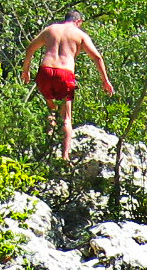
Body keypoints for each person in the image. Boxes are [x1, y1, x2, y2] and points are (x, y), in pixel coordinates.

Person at [21, 10, 115, 160]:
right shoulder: (80, 35)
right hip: (64, 74)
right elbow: (97, 57)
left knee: (51, 109)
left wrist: (26, 71)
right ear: (79, 22)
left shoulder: (50, 29)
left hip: (45, 71)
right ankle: (65, 156)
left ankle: (47, 147)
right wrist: (105, 80)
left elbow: (30, 48)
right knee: (66, 118)